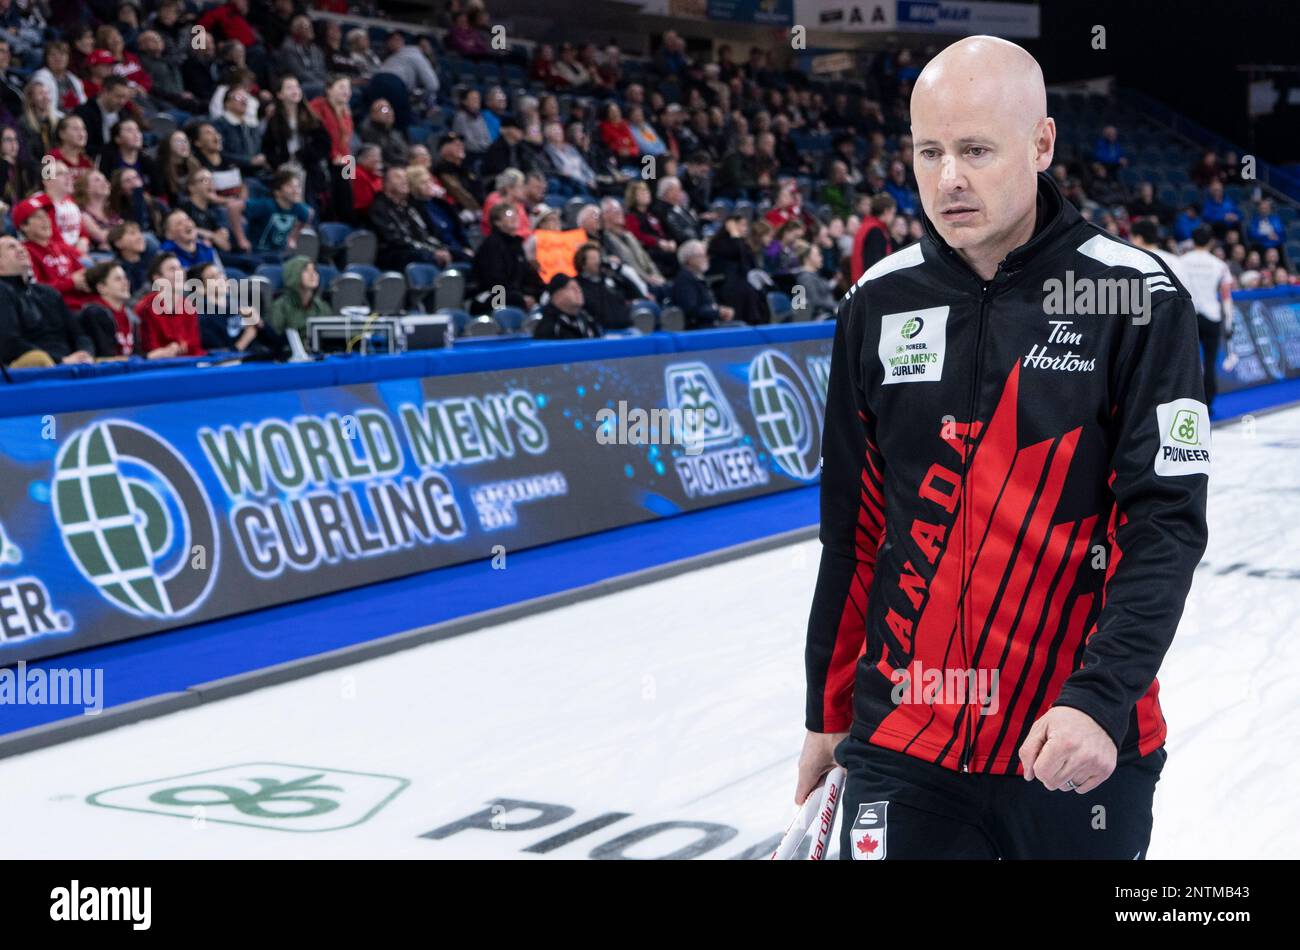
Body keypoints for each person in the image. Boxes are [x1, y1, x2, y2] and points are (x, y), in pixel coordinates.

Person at [800, 35, 1207, 861]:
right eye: (930, 152)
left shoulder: (1134, 296)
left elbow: (1165, 525)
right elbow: (852, 534)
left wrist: (1101, 699)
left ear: (1042, 143)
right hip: (904, 739)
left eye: (976, 150)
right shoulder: (876, 304)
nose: (949, 178)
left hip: (1074, 745)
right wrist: (827, 711)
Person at [0, 236, 93, 368]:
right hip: (32, 366)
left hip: (70, 360)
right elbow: (9, 343)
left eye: (20, 246)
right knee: (38, 358)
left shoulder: (48, 292)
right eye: (11, 247)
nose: (21, 250)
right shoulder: (3, 292)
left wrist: (85, 353)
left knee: (125, 363)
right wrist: (61, 360)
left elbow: (79, 334)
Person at [1177, 225, 1233, 412]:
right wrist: (1229, 323)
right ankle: (1207, 403)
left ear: (1192, 241)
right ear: (1211, 242)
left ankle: (1186, 402)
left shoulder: (1180, 262)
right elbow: (1226, 297)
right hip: (1212, 316)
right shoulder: (1219, 265)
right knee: (1210, 362)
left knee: (1186, 362)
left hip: (1188, 316)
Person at [367, 166, 452, 270]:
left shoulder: (412, 205)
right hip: (396, 255)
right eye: (398, 177)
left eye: (405, 177)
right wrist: (432, 252)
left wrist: (440, 249)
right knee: (429, 258)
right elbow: (396, 241)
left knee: (460, 255)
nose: (404, 181)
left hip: (421, 249)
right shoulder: (379, 208)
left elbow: (427, 233)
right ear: (386, 184)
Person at [135, 252, 204, 356]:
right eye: (172, 269)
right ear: (157, 278)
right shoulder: (145, 308)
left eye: (180, 268)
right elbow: (148, 348)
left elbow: (195, 346)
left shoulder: (188, 306)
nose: (180, 273)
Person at [243, 169, 312, 256]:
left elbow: (309, 213)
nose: (296, 190)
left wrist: (293, 238)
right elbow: (234, 207)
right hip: (258, 253)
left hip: (279, 254)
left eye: (298, 186)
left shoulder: (298, 207)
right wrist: (242, 240)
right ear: (277, 192)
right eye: (290, 186)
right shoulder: (266, 205)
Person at [670, 239, 733, 329]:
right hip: (698, 328)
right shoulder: (685, 280)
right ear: (690, 260)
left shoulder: (696, 277)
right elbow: (691, 310)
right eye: (702, 255)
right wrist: (718, 312)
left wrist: (719, 310)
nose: (706, 258)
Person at [267, 254, 331, 337]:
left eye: (314, 270)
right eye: (306, 271)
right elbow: (274, 339)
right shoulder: (280, 307)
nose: (313, 274)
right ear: (294, 275)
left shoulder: (322, 307)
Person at [573, 241, 632, 331]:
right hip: (599, 332)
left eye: (599, 257)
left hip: (626, 328)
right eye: (593, 258)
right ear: (583, 263)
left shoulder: (611, 278)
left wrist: (616, 272)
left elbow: (635, 292)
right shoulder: (577, 284)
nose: (598, 262)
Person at [534, 272, 602, 339]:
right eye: (572, 288)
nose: (578, 291)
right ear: (557, 295)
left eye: (579, 288)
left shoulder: (587, 320)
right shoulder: (549, 327)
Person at [850, 194, 896, 282]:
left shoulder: (866, 226)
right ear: (886, 211)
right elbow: (875, 266)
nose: (893, 217)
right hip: (869, 287)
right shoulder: (875, 231)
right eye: (893, 213)